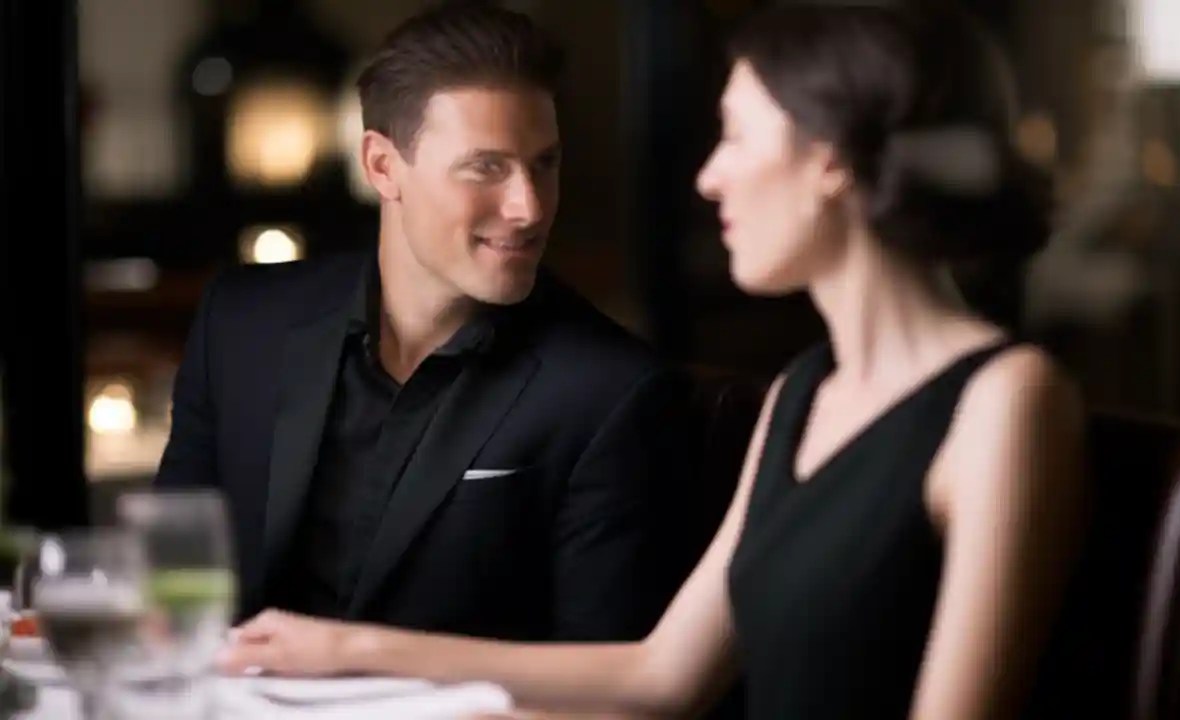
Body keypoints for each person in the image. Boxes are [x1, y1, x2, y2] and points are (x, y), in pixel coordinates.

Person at [216, 2, 1088, 717]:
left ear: (827, 160)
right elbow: (660, 677)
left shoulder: (1010, 399)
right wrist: (343, 649)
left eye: (737, 138)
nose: (709, 178)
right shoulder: (808, 391)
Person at [155, 3, 700, 645]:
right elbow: (166, 585)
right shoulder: (241, 324)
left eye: (544, 163)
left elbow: (603, 686)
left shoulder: (612, 393)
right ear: (383, 167)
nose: (528, 207)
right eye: (487, 167)